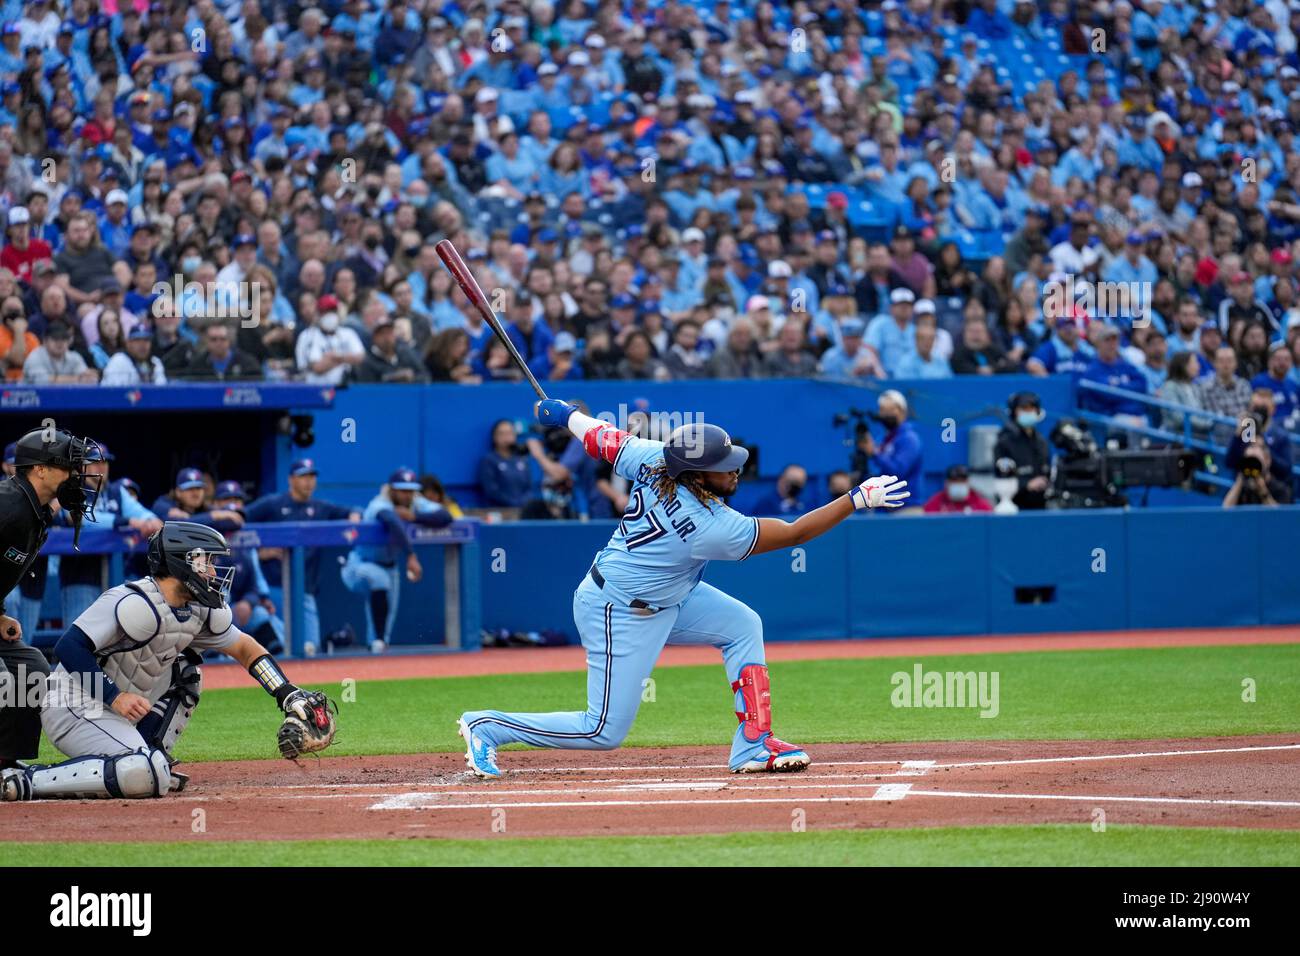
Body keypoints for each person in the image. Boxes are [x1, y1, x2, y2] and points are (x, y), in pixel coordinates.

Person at [457, 401, 909, 778]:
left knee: (742, 625)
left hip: (668, 593)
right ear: (696, 474)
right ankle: (488, 726)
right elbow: (793, 534)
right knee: (603, 730)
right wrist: (856, 499)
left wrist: (564, 415)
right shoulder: (712, 527)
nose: (734, 472)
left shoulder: (655, 457)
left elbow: (600, 437)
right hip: (619, 609)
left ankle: (754, 742)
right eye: (723, 468)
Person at [1, 522, 336, 800]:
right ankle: (23, 781)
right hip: (74, 706)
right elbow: (69, 647)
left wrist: (287, 693)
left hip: (117, 709)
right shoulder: (132, 602)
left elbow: (247, 649)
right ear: (183, 562)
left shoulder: (201, 609)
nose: (213, 570)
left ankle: (152, 754)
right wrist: (114, 697)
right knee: (142, 775)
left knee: (187, 672)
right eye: (207, 561)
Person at [0, 429, 99, 773]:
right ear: (40, 470)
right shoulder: (8, 505)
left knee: (30, 670)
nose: (77, 476)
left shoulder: (35, 509)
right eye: (69, 468)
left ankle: (5, 760)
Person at [243, 459, 361, 657]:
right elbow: (239, 521)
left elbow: (354, 511)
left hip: (305, 591)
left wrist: (355, 515)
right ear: (291, 479)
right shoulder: (273, 504)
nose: (308, 482)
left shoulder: (320, 508)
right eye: (303, 476)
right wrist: (259, 552)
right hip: (274, 589)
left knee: (309, 649)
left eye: (312, 477)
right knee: (279, 648)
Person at [341, 468, 452, 654]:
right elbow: (391, 520)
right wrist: (410, 555)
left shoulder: (415, 501)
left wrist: (415, 516)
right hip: (358, 565)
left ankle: (376, 651)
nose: (407, 495)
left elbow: (445, 516)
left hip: (389, 566)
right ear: (392, 489)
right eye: (403, 490)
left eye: (410, 490)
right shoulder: (379, 502)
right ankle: (376, 640)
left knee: (385, 632)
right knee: (379, 579)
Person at [56, 442, 163, 628]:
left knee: (111, 634)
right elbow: (82, 517)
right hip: (80, 575)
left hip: (114, 574)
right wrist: (126, 521)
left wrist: (151, 521)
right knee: (79, 631)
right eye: (95, 462)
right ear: (83, 466)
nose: (101, 466)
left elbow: (140, 512)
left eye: (105, 462)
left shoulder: (115, 491)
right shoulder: (72, 488)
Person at [859, 390, 923, 502]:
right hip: (884, 505)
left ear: (902, 411)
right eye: (882, 410)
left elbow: (898, 471)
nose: (885, 415)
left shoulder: (910, 439)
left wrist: (874, 453)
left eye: (890, 410)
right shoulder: (883, 439)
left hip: (906, 507)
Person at [993, 391, 1052, 510]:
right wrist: (1027, 484)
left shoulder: (1042, 442)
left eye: (1031, 408)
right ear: (1014, 412)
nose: (1028, 412)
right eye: (1023, 409)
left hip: (1041, 506)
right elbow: (1002, 477)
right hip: (1015, 507)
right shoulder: (1004, 442)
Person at [477, 418, 533, 509]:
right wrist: (513, 503)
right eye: (502, 434)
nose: (506, 437)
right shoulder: (488, 461)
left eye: (510, 433)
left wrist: (523, 503)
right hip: (499, 512)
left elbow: (529, 488)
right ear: (494, 437)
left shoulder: (522, 460)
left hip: (523, 511)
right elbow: (491, 491)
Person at [923, 465, 993, 513]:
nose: (958, 484)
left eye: (962, 481)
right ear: (946, 483)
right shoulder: (936, 502)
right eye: (954, 481)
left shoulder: (979, 503)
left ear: (968, 482)